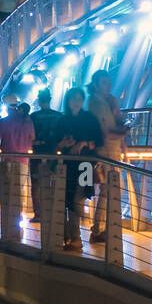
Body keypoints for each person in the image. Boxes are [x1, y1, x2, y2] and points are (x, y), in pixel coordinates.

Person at [58, 86, 102, 251]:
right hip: (68, 167)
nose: (76, 102)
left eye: (79, 99)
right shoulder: (63, 121)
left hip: (85, 166)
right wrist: (63, 144)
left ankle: (75, 238)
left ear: (82, 101)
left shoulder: (89, 119)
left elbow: (98, 141)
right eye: (73, 99)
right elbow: (56, 144)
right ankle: (68, 237)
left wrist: (84, 143)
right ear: (67, 101)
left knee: (77, 199)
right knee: (67, 201)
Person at [87, 70, 128, 243]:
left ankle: (100, 228)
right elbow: (106, 133)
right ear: (96, 84)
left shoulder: (106, 102)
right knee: (109, 190)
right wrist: (124, 132)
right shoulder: (97, 104)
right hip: (106, 153)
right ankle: (98, 229)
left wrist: (115, 108)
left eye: (109, 82)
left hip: (112, 151)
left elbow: (115, 122)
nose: (109, 85)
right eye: (105, 82)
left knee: (108, 191)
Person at [29, 87, 65, 221]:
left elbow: (30, 136)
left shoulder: (33, 117)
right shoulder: (59, 116)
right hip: (54, 154)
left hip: (37, 154)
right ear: (50, 100)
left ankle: (38, 213)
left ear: (39, 101)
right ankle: (52, 211)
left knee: (36, 184)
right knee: (53, 183)